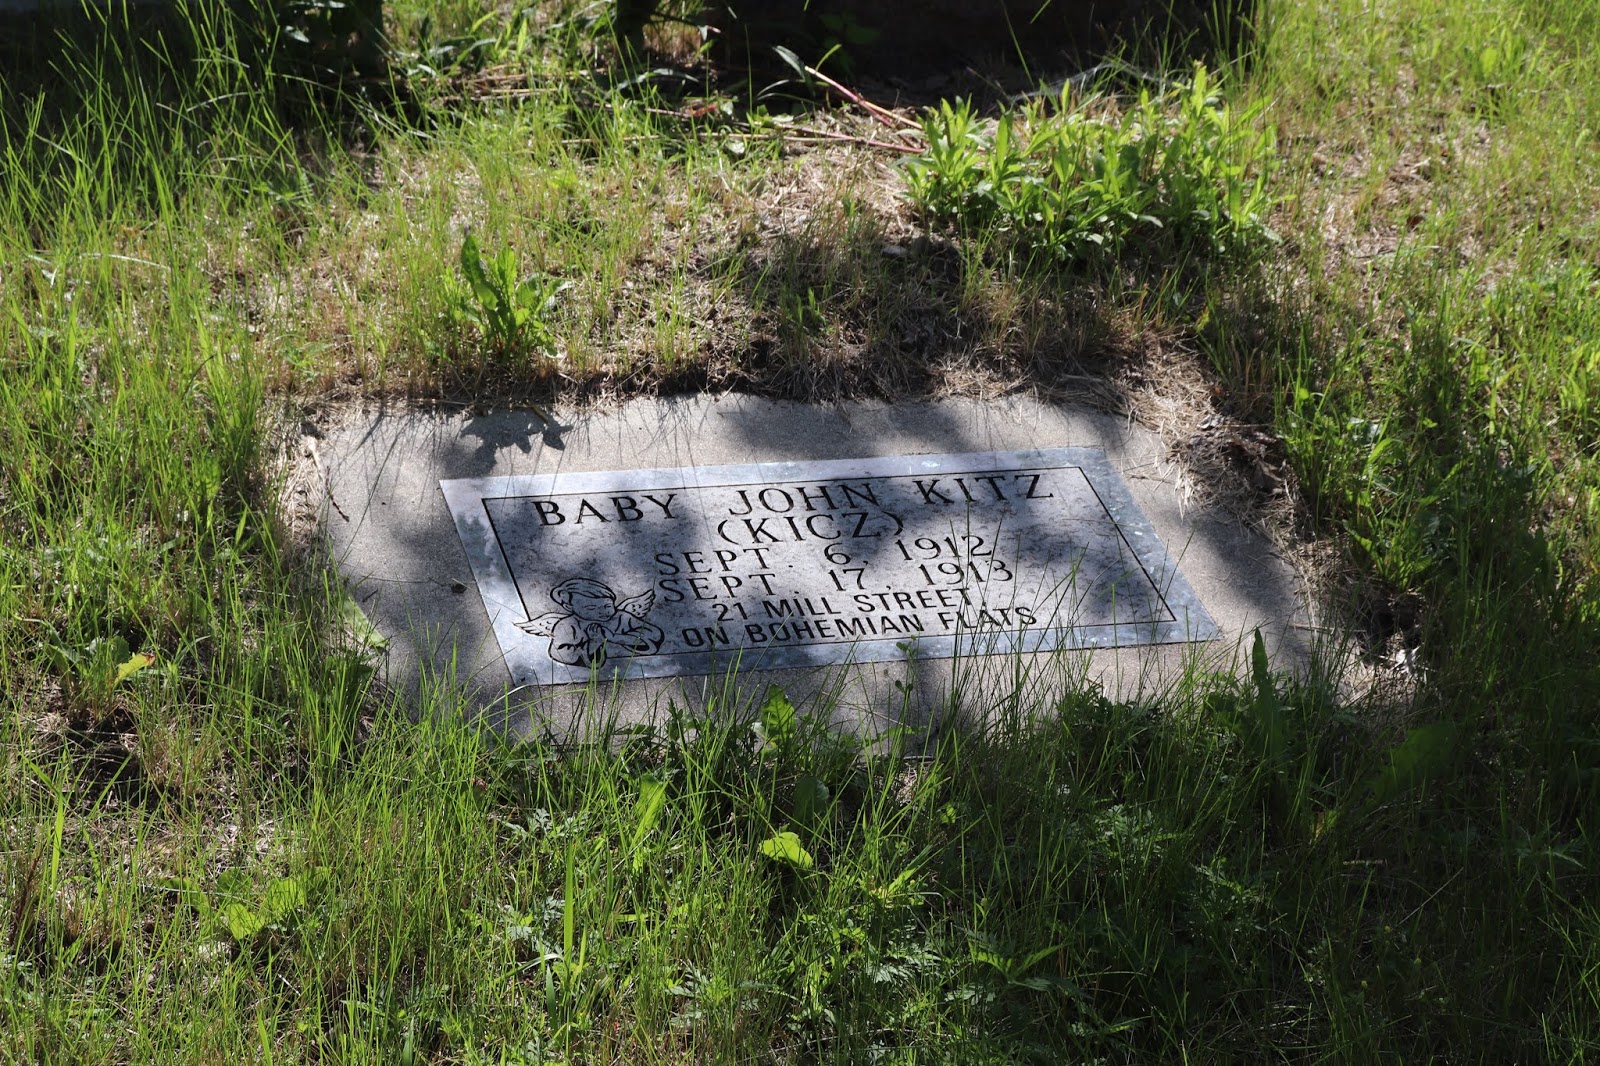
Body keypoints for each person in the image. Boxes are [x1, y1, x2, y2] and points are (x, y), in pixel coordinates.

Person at [517, 577, 664, 667]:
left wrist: (615, 638)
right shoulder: (567, 626)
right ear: (570, 607)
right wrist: (594, 643)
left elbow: (654, 635)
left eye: (607, 606)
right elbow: (560, 654)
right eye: (591, 607)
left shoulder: (621, 618)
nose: (603, 611)